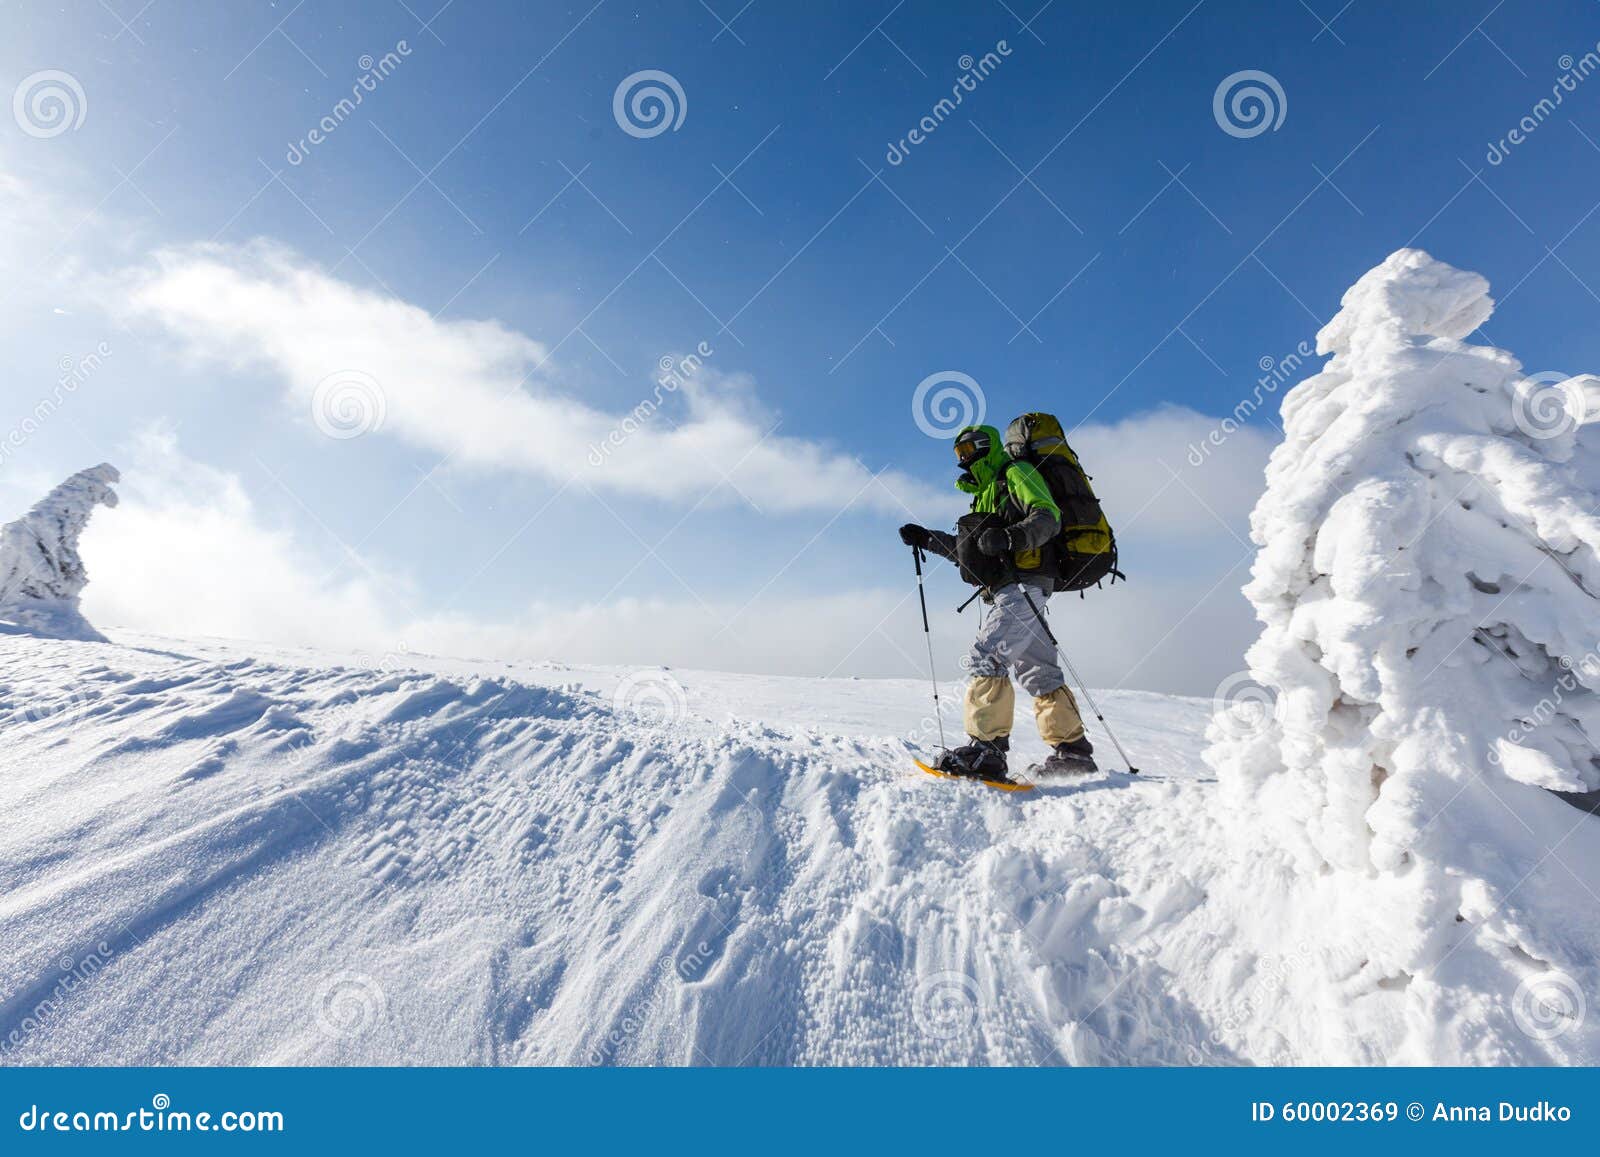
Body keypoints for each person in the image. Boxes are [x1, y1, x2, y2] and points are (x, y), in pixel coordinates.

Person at [899, 422, 1097, 779]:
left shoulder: (1016, 473)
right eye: (958, 454)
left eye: (968, 450)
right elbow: (971, 554)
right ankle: (1073, 752)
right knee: (1040, 670)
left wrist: (1010, 537)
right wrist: (927, 539)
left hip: (1023, 585)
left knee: (987, 654)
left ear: (985, 445)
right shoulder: (986, 493)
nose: (963, 460)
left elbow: (1048, 516)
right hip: (1013, 588)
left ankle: (987, 752)